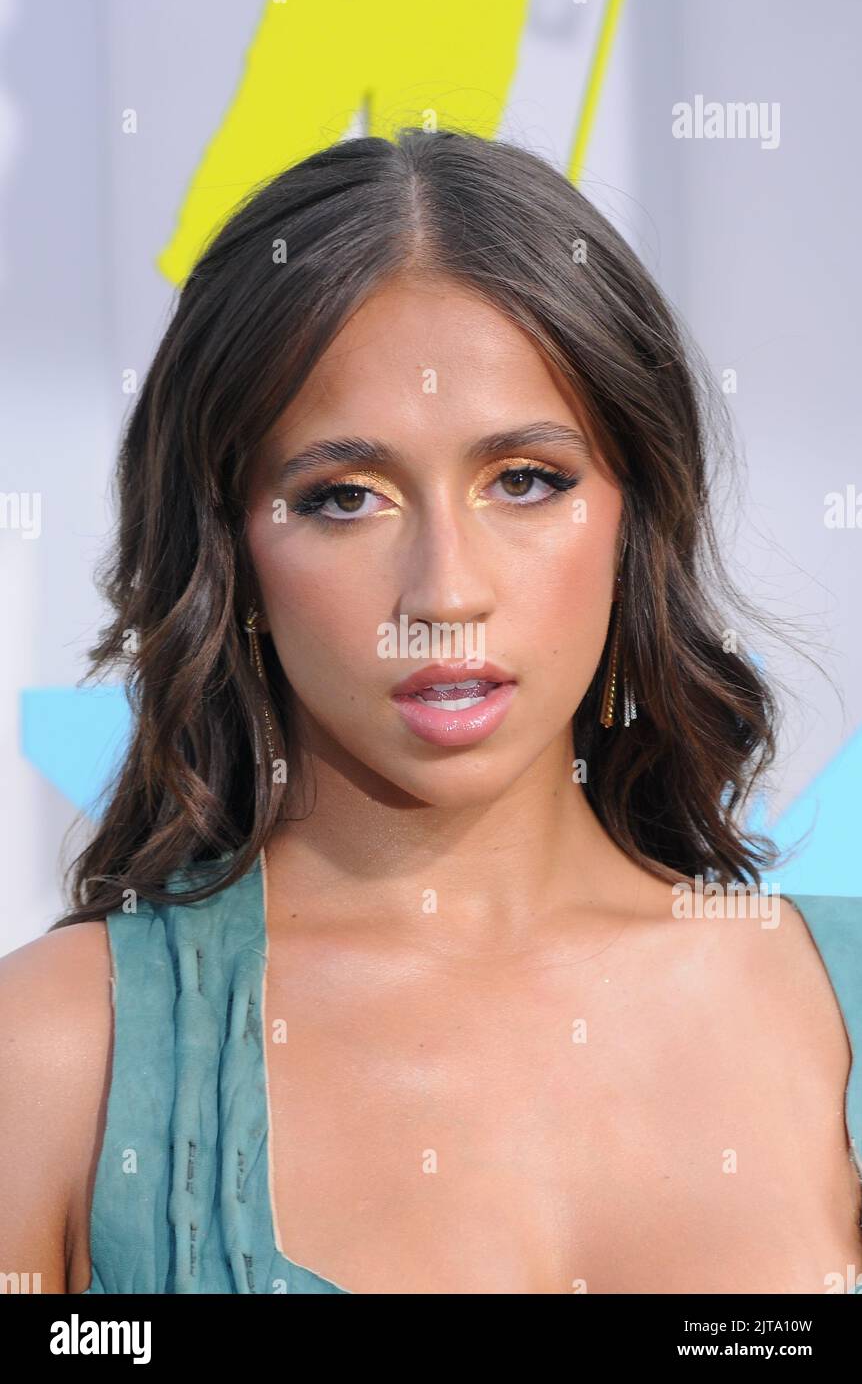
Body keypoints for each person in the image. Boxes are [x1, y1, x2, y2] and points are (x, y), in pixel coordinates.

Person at [1, 127, 860, 1295]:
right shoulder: (56, 1062)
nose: (444, 591)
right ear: (229, 550)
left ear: (636, 518)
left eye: (526, 480)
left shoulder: (835, 1004)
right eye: (342, 496)